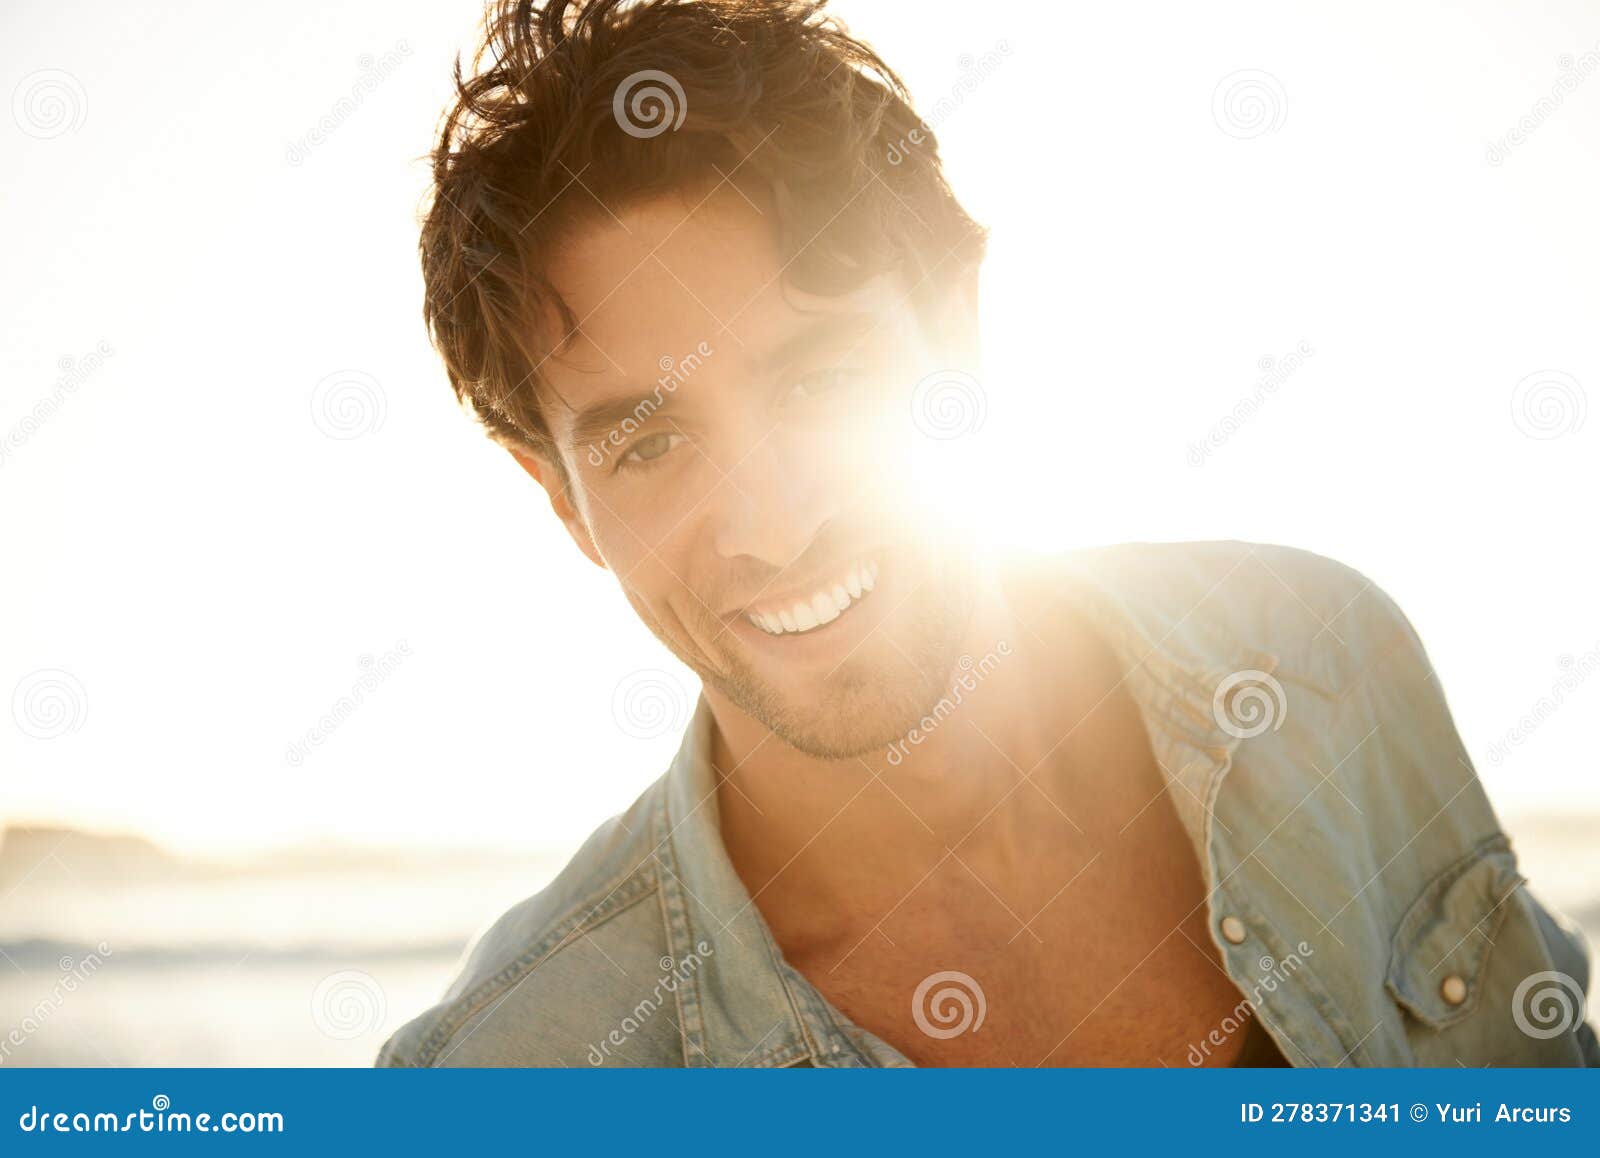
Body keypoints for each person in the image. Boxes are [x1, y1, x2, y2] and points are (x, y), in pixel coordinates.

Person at [379, 0, 1595, 1067]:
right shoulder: (509, 1081)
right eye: (648, 447)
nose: (774, 526)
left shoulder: (1321, 659)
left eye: (822, 381)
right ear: (561, 499)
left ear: (954, 332)